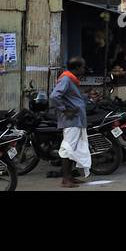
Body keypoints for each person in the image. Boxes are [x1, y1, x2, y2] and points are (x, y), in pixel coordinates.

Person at [50, 57, 90, 188]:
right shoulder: (66, 79)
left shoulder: (71, 80)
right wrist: (65, 110)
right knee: (67, 149)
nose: (84, 70)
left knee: (73, 149)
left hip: (77, 119)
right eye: (82, 67)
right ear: (77, 68)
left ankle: (70, 177)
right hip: (71, 120)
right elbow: (55, 96)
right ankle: (65, 179)